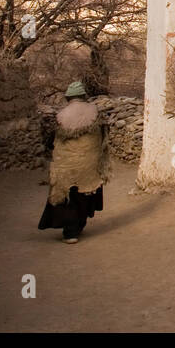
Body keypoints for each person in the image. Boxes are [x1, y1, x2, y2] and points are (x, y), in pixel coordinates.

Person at [37, 81, 108, 243]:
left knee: (68, 196)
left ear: (69, 97)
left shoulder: (61, 115)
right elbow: (103, 135)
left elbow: (52, 140)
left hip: (66, 165)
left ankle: (70, 232)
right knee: (85, 194)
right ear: (83, 96)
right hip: (89, 164)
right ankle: (79, 225)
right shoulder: (95, 112)